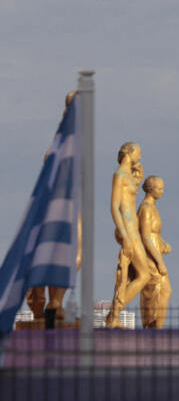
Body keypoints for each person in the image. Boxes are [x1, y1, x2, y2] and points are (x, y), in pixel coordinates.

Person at [26, 91, 81, 323]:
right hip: (60, 204)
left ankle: (54, 301)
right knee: (64, 253)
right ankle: (53, 303)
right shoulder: (64, 139)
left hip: (73, 203)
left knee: (75, 254)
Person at [105, 143, 153, 328]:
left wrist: (138, 179)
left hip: (132, 230)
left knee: (135, 275)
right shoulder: (119, 175)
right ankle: (113, 315)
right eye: (138, 153)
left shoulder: (127, 176)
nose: (139, 157)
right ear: (130, 153)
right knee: (144, 274)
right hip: (128, 230)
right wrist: (125, 235)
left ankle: (114, 315)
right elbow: (115, 206)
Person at [138, 176, 172, 329]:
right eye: (159, 188)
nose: (162, 192)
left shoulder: (153, 208)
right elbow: (145, 236)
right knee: (154, 289)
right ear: (151, 190)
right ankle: (151, 325)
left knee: (164, 290)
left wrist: (163, 244)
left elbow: (153, 234)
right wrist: (159, 261)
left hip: (156, 249)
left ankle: (158, 326)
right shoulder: (145, 208)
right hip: (149, 255)